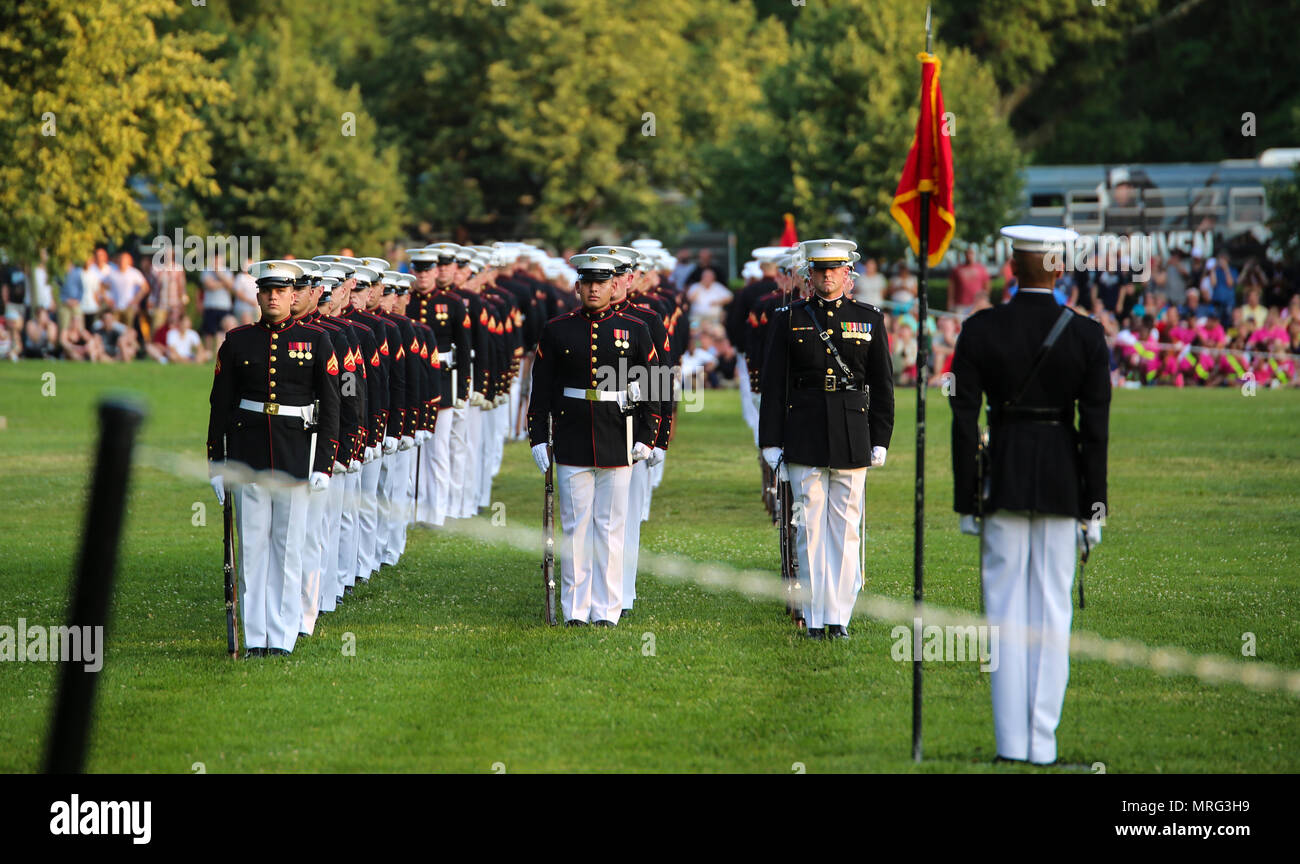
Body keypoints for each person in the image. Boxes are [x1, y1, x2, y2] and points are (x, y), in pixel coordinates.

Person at [949, 225, 1110, 765]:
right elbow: (1096, 431)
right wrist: (1096, 506)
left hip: (1005, 479)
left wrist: (967, 499)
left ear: (1012, 268)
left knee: (1004, 615)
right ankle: (1042, 743)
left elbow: (964, 423)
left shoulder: (980, 328)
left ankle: (1010, 744)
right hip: (1065, 483)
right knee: (1052, 614)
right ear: (1059, 270)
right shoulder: (1087, 335)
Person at [758, 238, 895, 640]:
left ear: (848, 274)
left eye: (835, 269)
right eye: (820, 269)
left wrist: (881, 438)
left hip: (853, 432)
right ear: (810, 275)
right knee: (810, 528)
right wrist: (772, 440)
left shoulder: (868, 318)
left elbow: (882, 386)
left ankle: (840, 616)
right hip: (804, 431)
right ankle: (815, 616)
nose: (828, 276)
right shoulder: (789, 318)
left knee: (846, 528)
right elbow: (774, 386)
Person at [206, 259, 341, 657]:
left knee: (288, 547)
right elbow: (220, 405)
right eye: (266, 290)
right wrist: (216, 462)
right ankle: (256, 637)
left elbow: (331, 408)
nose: (273, 297)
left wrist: (324, 464)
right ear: (258, 294)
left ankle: (281, 638)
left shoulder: (317, 341)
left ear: (294, 293)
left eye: (281, 290)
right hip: (247, 456)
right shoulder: (237, 340)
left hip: (294, 454)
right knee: (253, 550)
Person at [527, 252, 662, 627]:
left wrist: (649, 436)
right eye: (587, 283)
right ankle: (576, 610)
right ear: (577, 287)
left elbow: (653, 385)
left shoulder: (635, 327)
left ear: (612, 285)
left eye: (600, 283)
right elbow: (542, 389)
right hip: (572, 435)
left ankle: (607, 610)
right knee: (575, 528)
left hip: (618, 434)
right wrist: (538, 436)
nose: (593, 289)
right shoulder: (557, 329)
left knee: (611, 527)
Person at [947, 247, 990, 315]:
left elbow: (986, 286)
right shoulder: (957, 269)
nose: (969, 255)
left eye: (971, 253)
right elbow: (952, 287)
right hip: (961, 305)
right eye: (967, 253)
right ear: (965, 255)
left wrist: (984, 301)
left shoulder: (981, 268)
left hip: (976, 305)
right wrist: (950, 302)